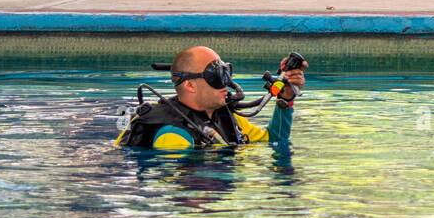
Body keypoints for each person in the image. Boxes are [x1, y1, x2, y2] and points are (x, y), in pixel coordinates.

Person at [116, 45, 306, 150]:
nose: (225, 83)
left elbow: (274, 140)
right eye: (215, 76)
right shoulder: (173, 136)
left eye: (226, 73)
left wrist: (286, 100)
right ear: (189, 85)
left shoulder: (224, 116)